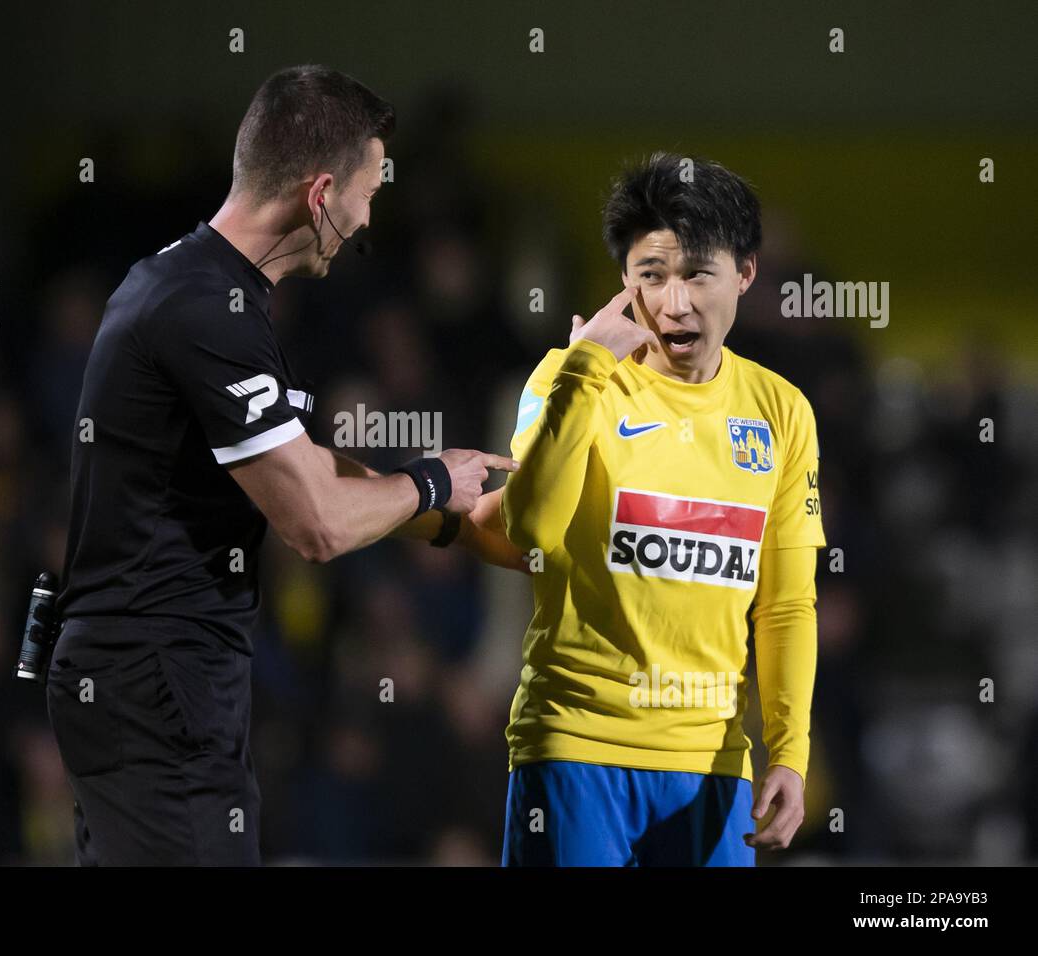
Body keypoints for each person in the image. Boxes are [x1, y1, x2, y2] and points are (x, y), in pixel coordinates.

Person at [46, 64, 520, 866]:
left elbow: (301, 467)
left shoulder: (190, 285)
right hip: (157, 688)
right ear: (320, 193)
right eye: (367, 194)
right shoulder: (204, 311)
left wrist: (441, 516)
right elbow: (315, 524)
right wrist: (432, 482)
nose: (369, 219)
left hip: (146, 684)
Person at [498, 152, 825, 866]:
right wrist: (584, 369)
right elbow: (530, 530)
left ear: (745, 273)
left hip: (712, 767)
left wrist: (790, 755)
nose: (674, 303)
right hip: (575, 748)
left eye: (698, 275)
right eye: (651, 276)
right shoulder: (571, 377)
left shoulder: (782, 412)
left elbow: (787, 603)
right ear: (625, 282)